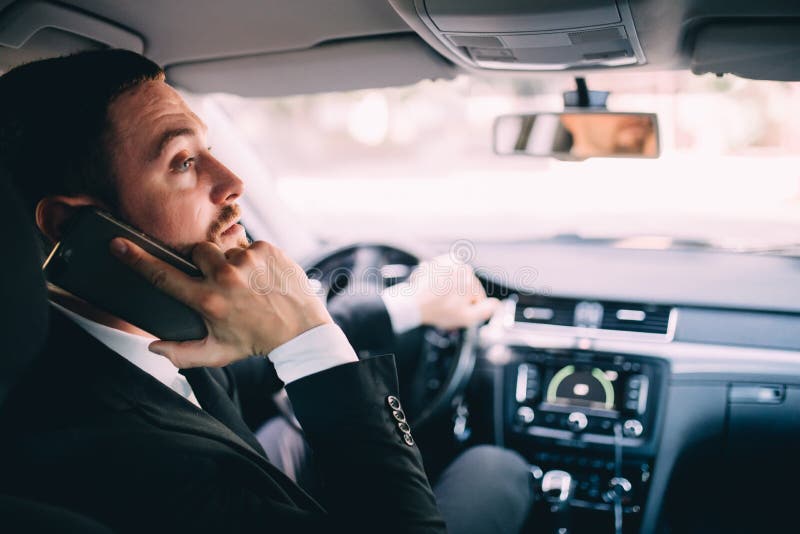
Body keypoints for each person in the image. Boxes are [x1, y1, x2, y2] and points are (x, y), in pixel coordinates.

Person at [0, 50, 534, 533]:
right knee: (496, 467)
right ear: (73, 227)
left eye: (209, 149)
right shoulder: (125, 466)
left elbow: (250, 367)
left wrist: (408, 306)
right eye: (183, 162)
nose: (233, 181)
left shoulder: (120, 328)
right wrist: (309, 333)